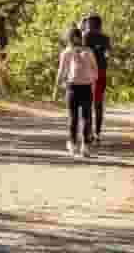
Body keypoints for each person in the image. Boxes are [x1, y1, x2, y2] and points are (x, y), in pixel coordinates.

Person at [55, 26, 99, 158]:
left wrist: (57, 87)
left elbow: (61, 71)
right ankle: (83, 146)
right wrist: (91, 81)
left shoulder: (68, 52)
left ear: (69, 38)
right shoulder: (87, 51)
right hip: (83, 87)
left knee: (75, 117)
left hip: (75, 87)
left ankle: (75, 145)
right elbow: (95, 70)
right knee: (84, 118)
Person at [83, 13, 112, 142]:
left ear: (94, 24)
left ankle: (91, 132)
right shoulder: (105, 38)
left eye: (88, 23)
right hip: (99, 72)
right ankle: (96, 133)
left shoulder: (86, 36)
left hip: (90, 73)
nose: (87, 25)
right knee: (97, 103)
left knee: (89, 103)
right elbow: (107, 54)